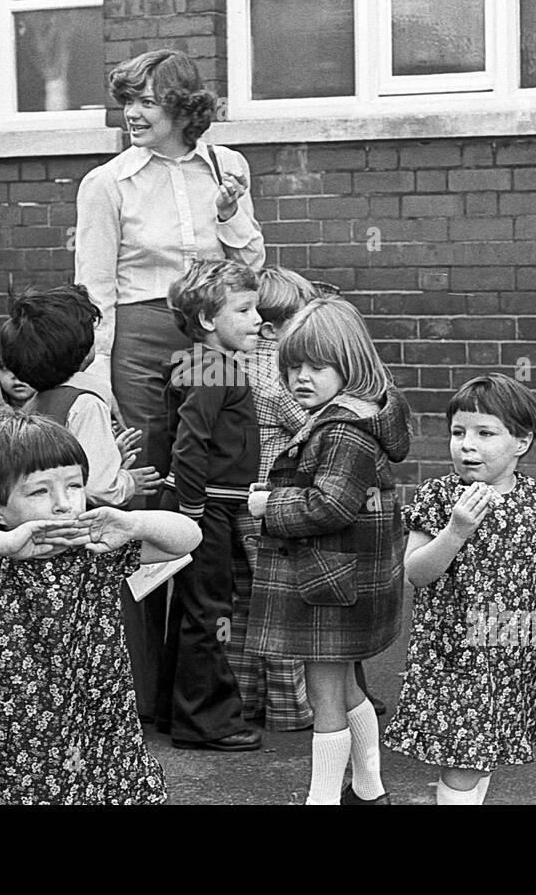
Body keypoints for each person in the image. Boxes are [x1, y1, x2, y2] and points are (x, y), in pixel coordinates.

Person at [75, 47, 265, 717]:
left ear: (185, 109)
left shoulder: (229, 167)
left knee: (209, 500)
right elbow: (93, 293)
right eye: (127, 98)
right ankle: (140, 689)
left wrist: (229, 211)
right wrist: (96, 390)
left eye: (148, 100)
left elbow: (253, 264)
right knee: (149, 501)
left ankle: (204, 679)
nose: (132, 112)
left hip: (210, 337)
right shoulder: (107, 183)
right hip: (141, 342)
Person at [0, 413, 202, 804]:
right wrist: (5, 544)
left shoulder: (98, 546)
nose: (62, 504)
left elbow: (187, 538)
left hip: (90, 718)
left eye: (74, 486)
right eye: (39, 492)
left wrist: (131, 521)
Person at [383, 374, 536, 805]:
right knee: (463, 760)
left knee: (484, 751)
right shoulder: (438, 497)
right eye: (458, 432)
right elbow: (415, 573)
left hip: (513, 652)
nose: (466, 444)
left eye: (485, 433)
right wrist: (455, 531)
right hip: (451, 655)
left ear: (521, 443)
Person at [247, 298, 411, 804]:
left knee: (326, 701)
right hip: (339, 578)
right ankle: (368, 789)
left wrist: (267, 505)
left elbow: (328, 508)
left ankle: (322, 799)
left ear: (350, 364)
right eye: (293, 365)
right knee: (347, 688)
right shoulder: (357, 416)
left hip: (328, 583)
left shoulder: (342, 428)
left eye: (317, 366)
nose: (301, 377)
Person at [157, 259, 263, 751]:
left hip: (204, 504)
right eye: (242, 309)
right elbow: (189, 443)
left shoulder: (197, 363)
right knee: (212, 613)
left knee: (193, 610)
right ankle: (208, 721)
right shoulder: (213, 368)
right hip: (207, 509)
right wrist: (194, 512)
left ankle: (174, 711)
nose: (256, 318)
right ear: (206, 321)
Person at [229, 267, 317, 732]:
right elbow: (308, 424)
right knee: (281, 604)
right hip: (273, 500)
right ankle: (289, 706)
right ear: (271, 329)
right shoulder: (275, 375)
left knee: (245, 601)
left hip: (239, 501)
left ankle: (245, 698)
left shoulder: (230, 365)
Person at [0, 284, 161, 508]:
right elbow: (99, 489)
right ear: (82, 344)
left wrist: (109, 457)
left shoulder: (36, 400)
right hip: (80, 528)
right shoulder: (86, 403)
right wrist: (128, 481)